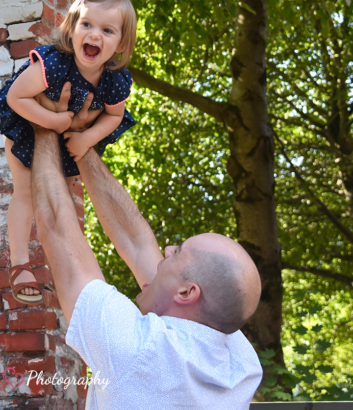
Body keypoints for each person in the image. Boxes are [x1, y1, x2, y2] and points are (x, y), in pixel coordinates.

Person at [29, 83, 263, 408]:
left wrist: (44, 126)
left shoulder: (138, 351)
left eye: (178, 252)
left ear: (187, 293)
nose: (167, 250)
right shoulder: (241, 363)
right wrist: (81, 144)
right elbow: (136, 241)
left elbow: (57, 228)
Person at [0, 0, 138, 304]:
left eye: (107, 30)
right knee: (25, 190)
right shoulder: (55, 63)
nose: (94, 34)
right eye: (87, 24)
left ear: (121, 43)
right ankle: (19, 263)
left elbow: (114, 117)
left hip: (67, 137)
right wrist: (52, 120)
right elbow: (16, 96)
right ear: (72, 28)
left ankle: (68, 270)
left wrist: (86, 138)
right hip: (27, 125)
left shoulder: (114, 80)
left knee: (63, 201)